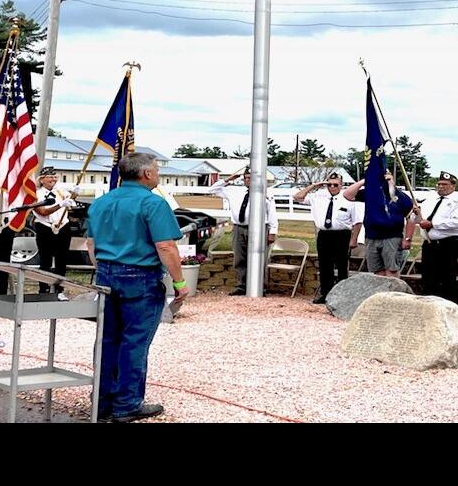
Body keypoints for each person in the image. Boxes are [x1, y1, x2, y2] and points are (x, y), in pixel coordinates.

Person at [86, 153, 189, 423]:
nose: (157, 173)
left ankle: (101, 402)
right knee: (134, 342)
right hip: (140, 276)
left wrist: (103, 270)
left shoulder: (101, 203)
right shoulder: (153, 203)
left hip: (105, 274)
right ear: (146, 174)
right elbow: (165, 246)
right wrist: (179, 282)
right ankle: (127, 404)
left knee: (107, 340)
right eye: (156, 169)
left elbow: (91, 245)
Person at [204, 167, 278, 296]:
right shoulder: (234, 191)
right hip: (239, 227)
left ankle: (260, 288)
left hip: (260, 228)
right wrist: (228, 179)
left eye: (250, 178)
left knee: (260, 259)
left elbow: (272, 214)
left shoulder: (266, 193)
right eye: (246, 178)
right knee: (240, 258)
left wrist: (272, 232)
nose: (247, 180)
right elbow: (212, 189)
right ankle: (241, 286)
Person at [293, 172, 362, 304]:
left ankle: (342, 297)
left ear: (341, 185)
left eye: (335, 185)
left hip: (342, 235)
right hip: (324, 235)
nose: (332, 187)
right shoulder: (318, 196)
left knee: (342, 266)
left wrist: (354, 239)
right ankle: (326, 294)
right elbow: (298, 197)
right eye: (329, 184)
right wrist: (314, 185)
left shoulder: (349, 198)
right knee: (325, 266)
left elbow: (357, 222)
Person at [413, 171, 458, 304]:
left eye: (444, 184)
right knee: (428, 276)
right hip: (429, 243)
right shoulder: (430, 200)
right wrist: (417, 213)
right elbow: (419, 220)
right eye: (439, 184)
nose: (440, 187)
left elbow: (455, 223)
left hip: (448, 243)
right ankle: (429, 304)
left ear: (453, 186)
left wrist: (433, 224)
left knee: (446, 276)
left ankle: (448, 305)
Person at [343, 171, 413, 277]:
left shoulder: (402, 197)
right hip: (372, 237)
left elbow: (411, 218)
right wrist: (365, 180)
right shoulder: (371, 193)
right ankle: (381, 293)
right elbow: (347, 195)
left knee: (392, 270)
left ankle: (392, 293)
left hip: (392, 237)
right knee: (377, 271)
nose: (384, 181)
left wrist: (407, 239)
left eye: (387, 179)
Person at [33, 167, 79, 300]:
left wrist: (75, 194)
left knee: (61, 260)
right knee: (45, 260)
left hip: (63, 226)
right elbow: (42, 212)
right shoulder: (37, 194)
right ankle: (43, 289)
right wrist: (60, 204)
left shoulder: (60, 191)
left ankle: (59, 289)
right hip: (45, 227)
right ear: (42, 179)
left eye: (55, 176)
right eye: (49, 176)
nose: (53, 179)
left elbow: (70, 199)